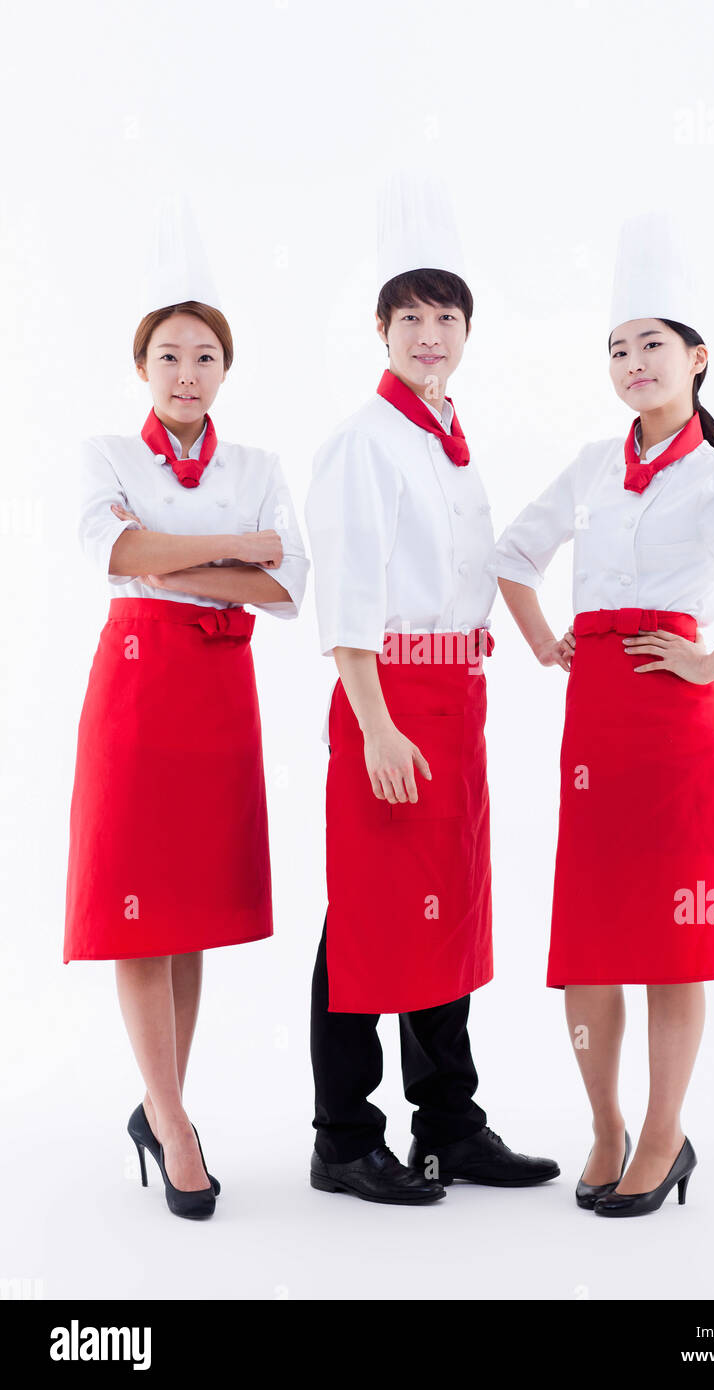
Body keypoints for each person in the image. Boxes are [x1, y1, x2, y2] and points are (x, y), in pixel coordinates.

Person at [491, 211, 714, 1217]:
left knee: (670, 942)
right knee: (588, 939)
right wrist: (546, 639)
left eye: (652, 345)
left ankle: (664, 1130)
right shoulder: (592, 465)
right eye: (617, 348)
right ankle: (602, 1123)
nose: (632, 363)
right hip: (592, 724)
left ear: (696, 357)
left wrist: (713, 656)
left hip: (676, 731)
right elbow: (510, 552)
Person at [303, 171, 559, 1205]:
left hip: (459, 704)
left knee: (444, 913)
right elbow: (349, 600)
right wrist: (374, 726)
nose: (429, 334)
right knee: (365, 920)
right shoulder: (363, 443)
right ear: (381, 328)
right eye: (410, 317)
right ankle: (341, 1137)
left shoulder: (449, 441)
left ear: (464, 330)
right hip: (391, 703)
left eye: (445, 316)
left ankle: (447, 1126)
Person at [63, 195, 309, 1220]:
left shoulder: (257, 467)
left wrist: (191, 556)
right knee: (133, 920)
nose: (185, 372)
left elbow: (290, 584)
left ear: (224, 368)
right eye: (168, 354)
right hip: (132, 692)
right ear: (142, 367)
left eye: (203, 355)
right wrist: (228, 552)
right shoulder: (105, 455)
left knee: (189, 913)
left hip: (215, 701)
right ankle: (172, 1125)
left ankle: (163, 1105)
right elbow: (112, 554)